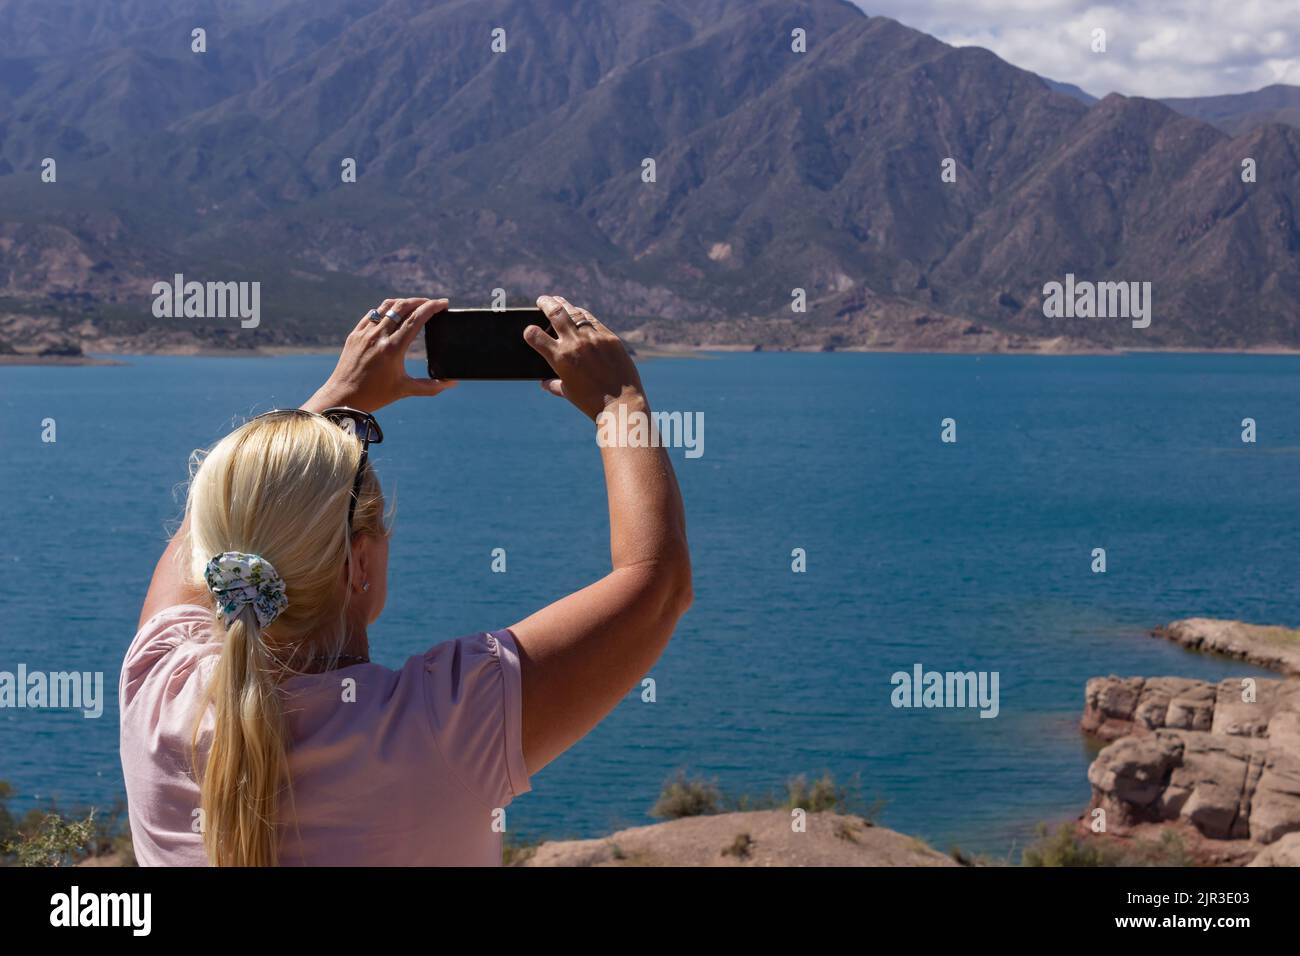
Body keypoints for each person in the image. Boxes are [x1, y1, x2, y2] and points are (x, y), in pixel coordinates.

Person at [119, 295, 692, 865]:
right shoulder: (449, 724)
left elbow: (655, 583)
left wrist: (334, 401)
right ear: (358, 564)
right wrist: (621, 402)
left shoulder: (159, 691)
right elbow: (658, 583)